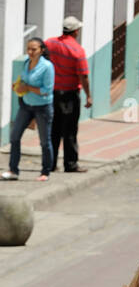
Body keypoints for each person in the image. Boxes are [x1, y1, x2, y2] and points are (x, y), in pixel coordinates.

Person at [44, 15, 93, 174]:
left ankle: (50, 164)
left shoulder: (50, 43)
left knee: (54, 130)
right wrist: (89, 95)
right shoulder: (77, 51)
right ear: (76, 31)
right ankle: (70, 164)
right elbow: (83, 76)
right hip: (70, 95)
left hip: (52, 94)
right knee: (70, 131)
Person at [2, 37, 55, 181]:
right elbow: (25, 80)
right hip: (26, 105)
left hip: (42, 107)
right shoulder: (27, 62)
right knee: (14, 136)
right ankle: (13, 170)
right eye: (28, 49)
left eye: (34, 49)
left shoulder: (47, 66)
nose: (30, 52)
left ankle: (45, 171)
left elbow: (47, 90)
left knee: (44, 140)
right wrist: (18, 86)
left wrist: (28, 88)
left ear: (42, 50)